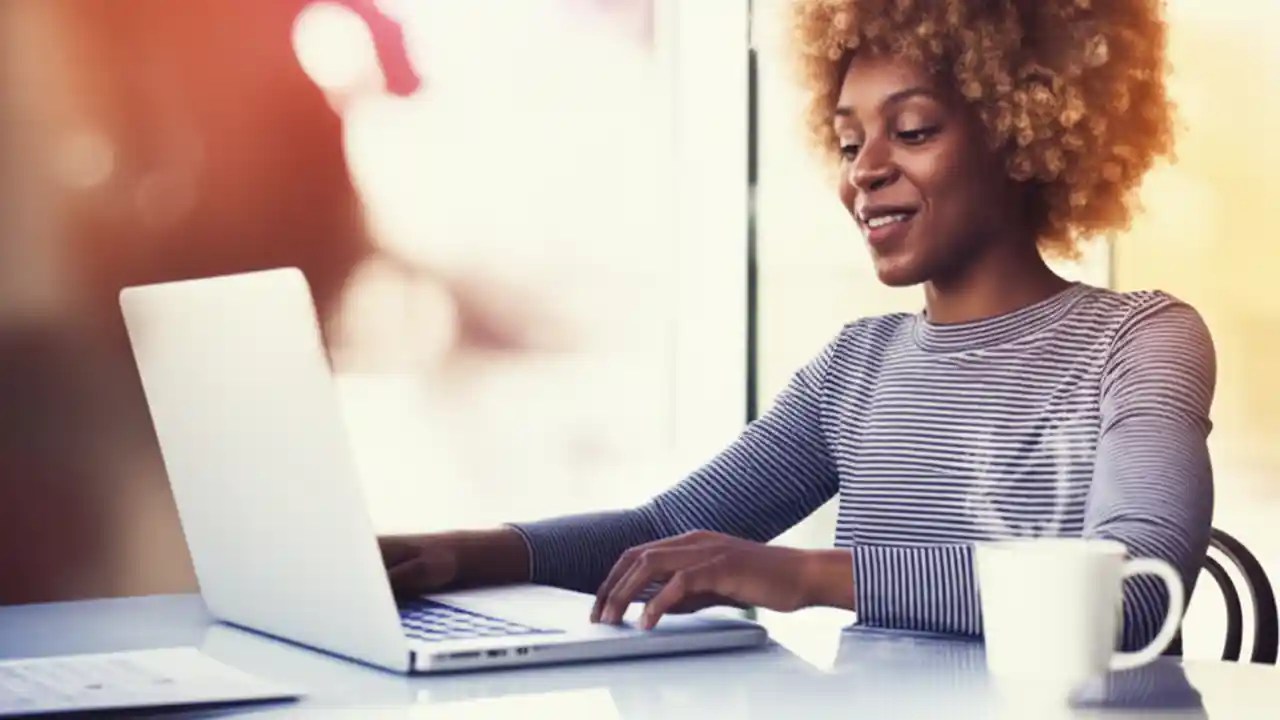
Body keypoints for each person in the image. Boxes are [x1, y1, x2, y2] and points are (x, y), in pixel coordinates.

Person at [379, 0, 1213, 650]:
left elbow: (1134, 588)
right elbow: (660, 537)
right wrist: (453, 555)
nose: (866, 173)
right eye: (849, 144)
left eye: (913, 130)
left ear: (1024, 125)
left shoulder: (1139, 340)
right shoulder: (858, 366)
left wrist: (804, 575)